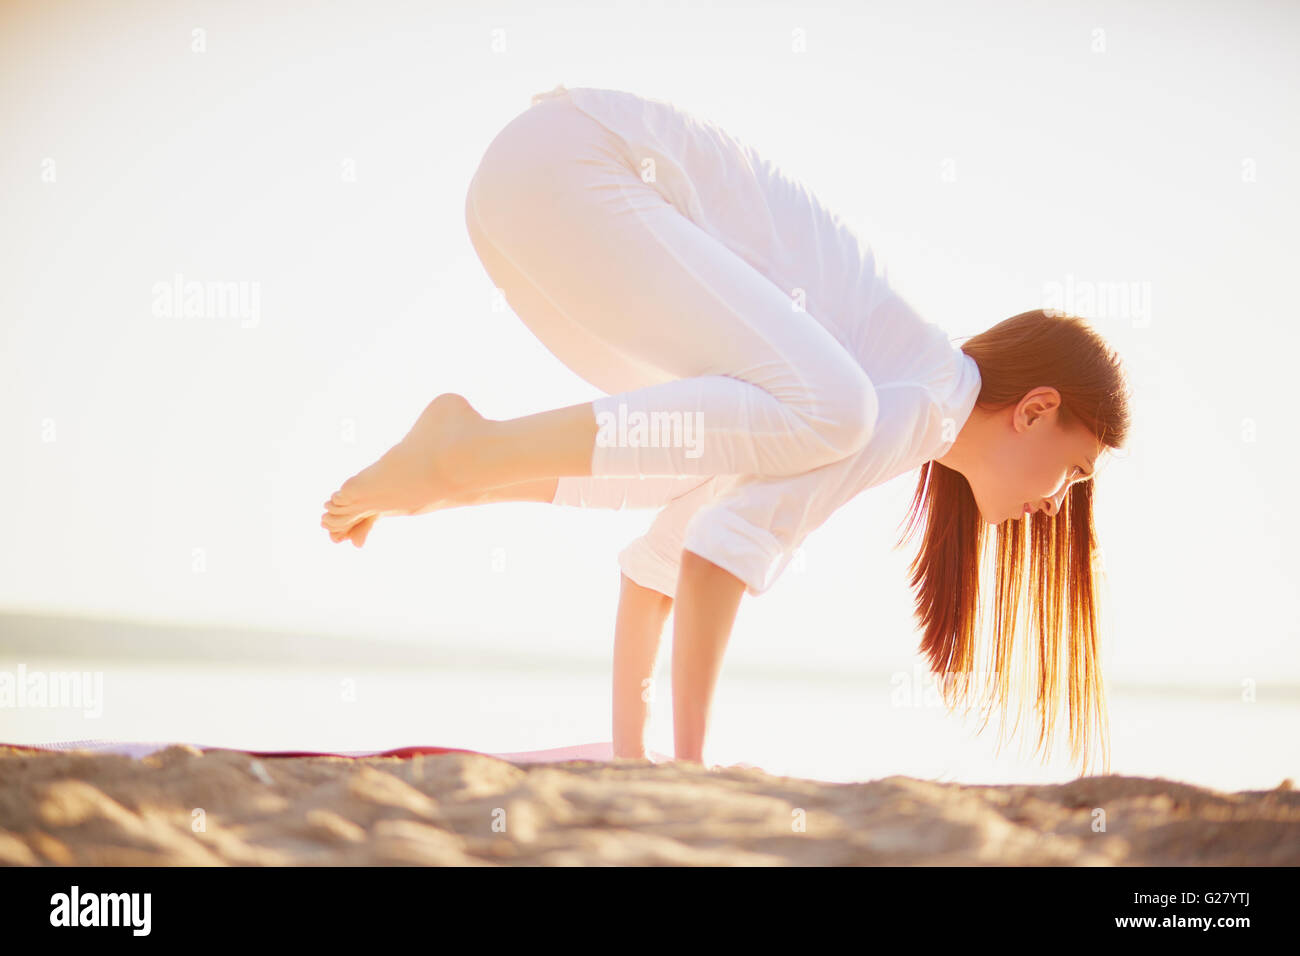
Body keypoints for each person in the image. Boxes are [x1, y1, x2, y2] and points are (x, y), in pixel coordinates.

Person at [320, 85, 1131, 774]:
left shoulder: (882, 397)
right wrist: (691, 772)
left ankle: (461, 469)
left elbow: (662, 570)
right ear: (1035, 410)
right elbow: (719, 557)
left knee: (700, 451)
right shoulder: (920, 403)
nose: (1061, 503)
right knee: (830, 412)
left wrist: (635, 763)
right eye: (1077, 470)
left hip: (525, 191)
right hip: (577, 171)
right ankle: (463, 455)